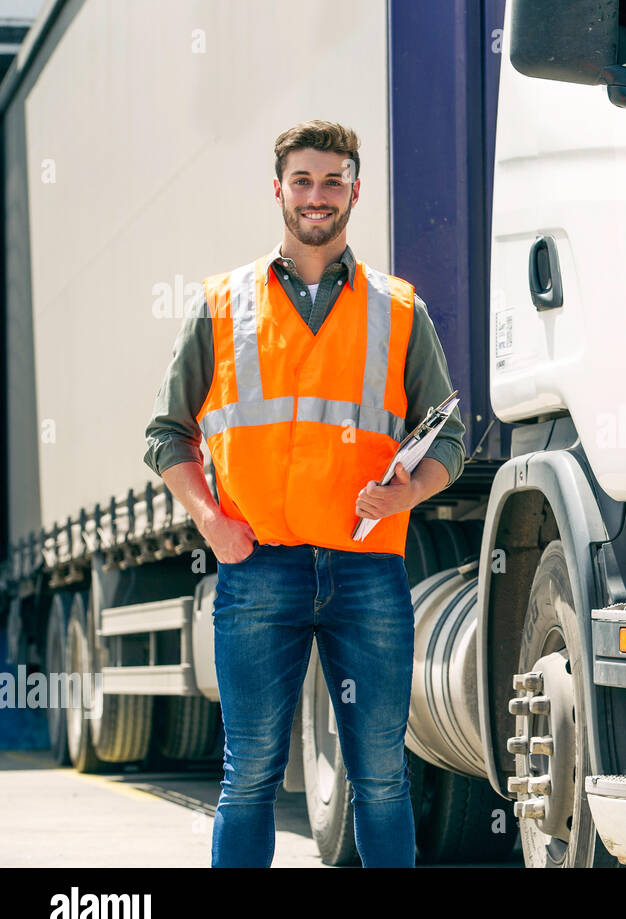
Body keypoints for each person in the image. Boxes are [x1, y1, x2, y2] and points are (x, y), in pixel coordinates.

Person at [143, 120, 466, 867]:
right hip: (259, 568)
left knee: (382, 776)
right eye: (302, 180)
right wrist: (212, 523)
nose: (317, 196)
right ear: (278, 189)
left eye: (332, 180)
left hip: (366, 569)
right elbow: (167, 434)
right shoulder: (222, 305)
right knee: (250, 775)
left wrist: (409, 490)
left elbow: (447, 435)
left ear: (356, 188)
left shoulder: (399, 309)